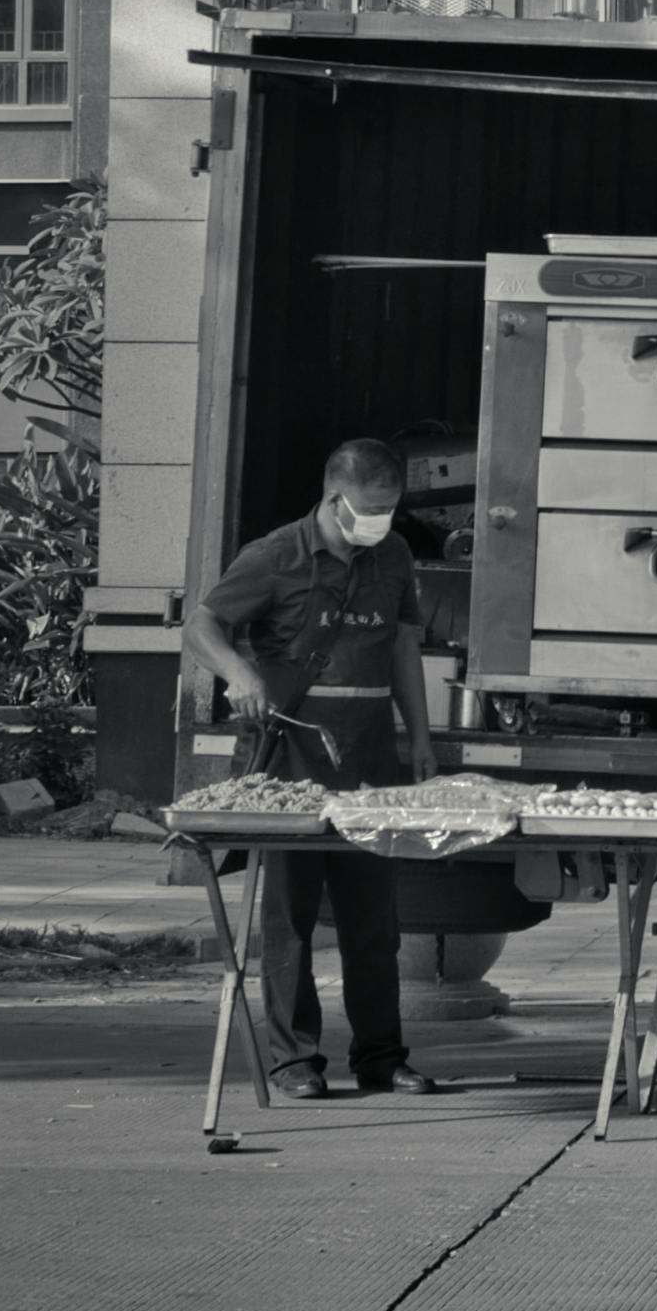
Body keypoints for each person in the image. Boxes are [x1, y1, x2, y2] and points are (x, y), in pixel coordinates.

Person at [184, 437, 444, 1104]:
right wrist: (238, 671)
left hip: (370, 757)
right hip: (292, 757)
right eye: (370, 507)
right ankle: (294, 1060)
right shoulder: (276, 554)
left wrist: (418, 735)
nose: (381, 519)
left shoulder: (393, 555)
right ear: (335, 498)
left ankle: (383, 1058)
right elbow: (202, 622)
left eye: (390, 507)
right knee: (290, 919)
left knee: (374, 919)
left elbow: (404, 648)